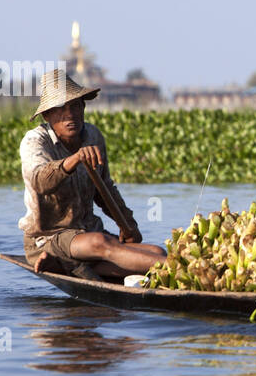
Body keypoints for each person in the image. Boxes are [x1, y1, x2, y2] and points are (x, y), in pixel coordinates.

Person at [19, 69, 166, 280]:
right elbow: (40, 182)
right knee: (101, 243)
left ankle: (65, 266)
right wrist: (75, 159)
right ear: (47, 115)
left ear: (83, 108)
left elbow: (104, 189)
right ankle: (184, 266)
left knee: (155, 253)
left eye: (75, 106)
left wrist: (127, 224)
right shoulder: (35, 141)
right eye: (60, 108)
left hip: (87, 234)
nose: (69, 114)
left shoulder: (93, 136)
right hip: (49, 238)